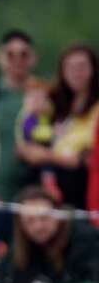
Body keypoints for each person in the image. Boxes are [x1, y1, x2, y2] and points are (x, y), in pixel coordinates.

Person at [0, 30, 38, 224]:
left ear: (33, 59)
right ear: (0, 58)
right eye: (10, 54)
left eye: (24, 54)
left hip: (37, 192)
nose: (17, 60)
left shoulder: (45, 95)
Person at [46, 45, 99, 209]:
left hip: (87, 185)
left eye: (82, 66)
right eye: (70, 67)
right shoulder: (53, 103)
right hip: (54, 184)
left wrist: (45, 155)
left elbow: (85, 155)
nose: (76, 72)